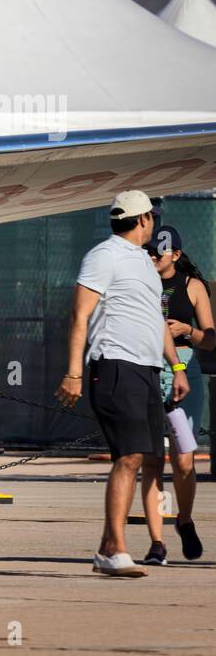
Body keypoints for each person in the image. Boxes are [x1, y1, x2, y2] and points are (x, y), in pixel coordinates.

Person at [55, 191, 190, 578]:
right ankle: (115, 549)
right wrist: (74, 372)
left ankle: (106, 547)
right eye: (153, 217)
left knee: (146, 459)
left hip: (147, 372)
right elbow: (79, 315)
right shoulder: (104, 255)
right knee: (128, 456)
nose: (154, 223)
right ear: (143, 219)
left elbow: (154, 321)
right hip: (115, 366)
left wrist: (176, 367)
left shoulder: (144, 263)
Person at [146, 224, 210, 561]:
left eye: (161, 250)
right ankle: (157, 542)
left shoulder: (193, 287)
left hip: (183, 375)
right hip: (147, 372)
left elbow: (211, 339)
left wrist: (188, 330)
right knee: (151, 460)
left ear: (177, 255)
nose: (154, 255)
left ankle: (184, 520)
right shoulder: (140, 283)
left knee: (183, 460)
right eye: (150, 250)